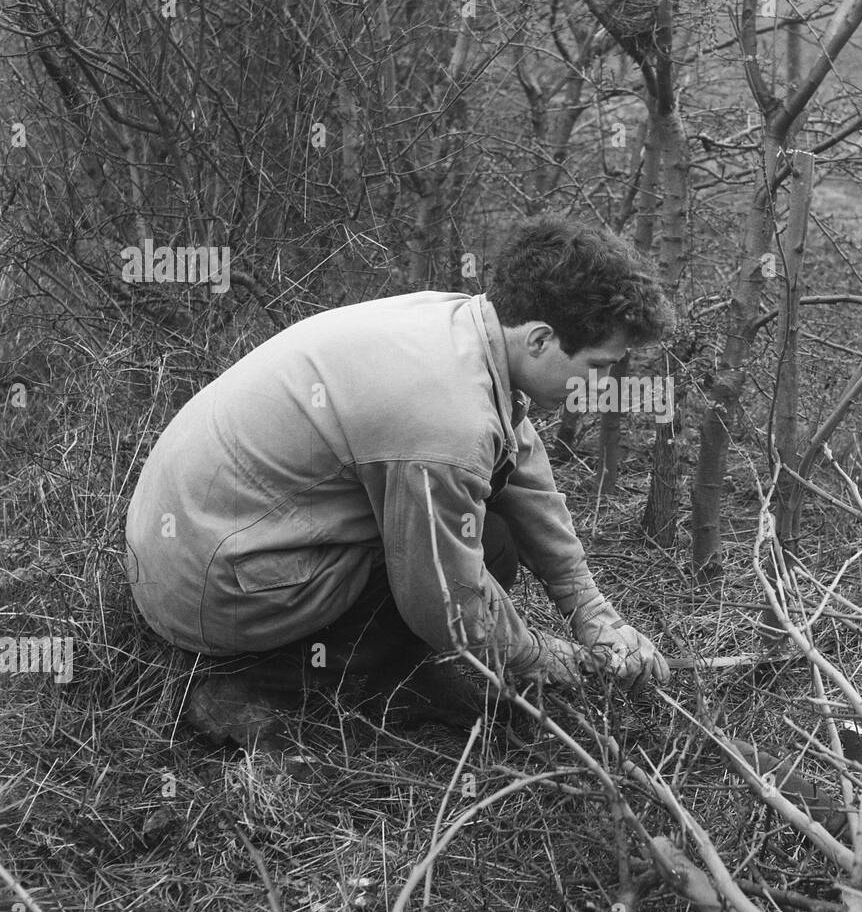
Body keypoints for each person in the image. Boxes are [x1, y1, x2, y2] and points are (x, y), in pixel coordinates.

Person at [124, 217, 673, 750]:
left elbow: (523, 475)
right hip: (208, 586)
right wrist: (549, 660)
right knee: (466, 560)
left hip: (202, 542)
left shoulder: (465, 328)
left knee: (491, 536)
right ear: (540, 340)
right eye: (600, 366)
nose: (601, 385)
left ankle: (388, 667)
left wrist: (591, 611)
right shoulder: (447, 418)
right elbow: (446, 601)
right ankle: (261, 685)